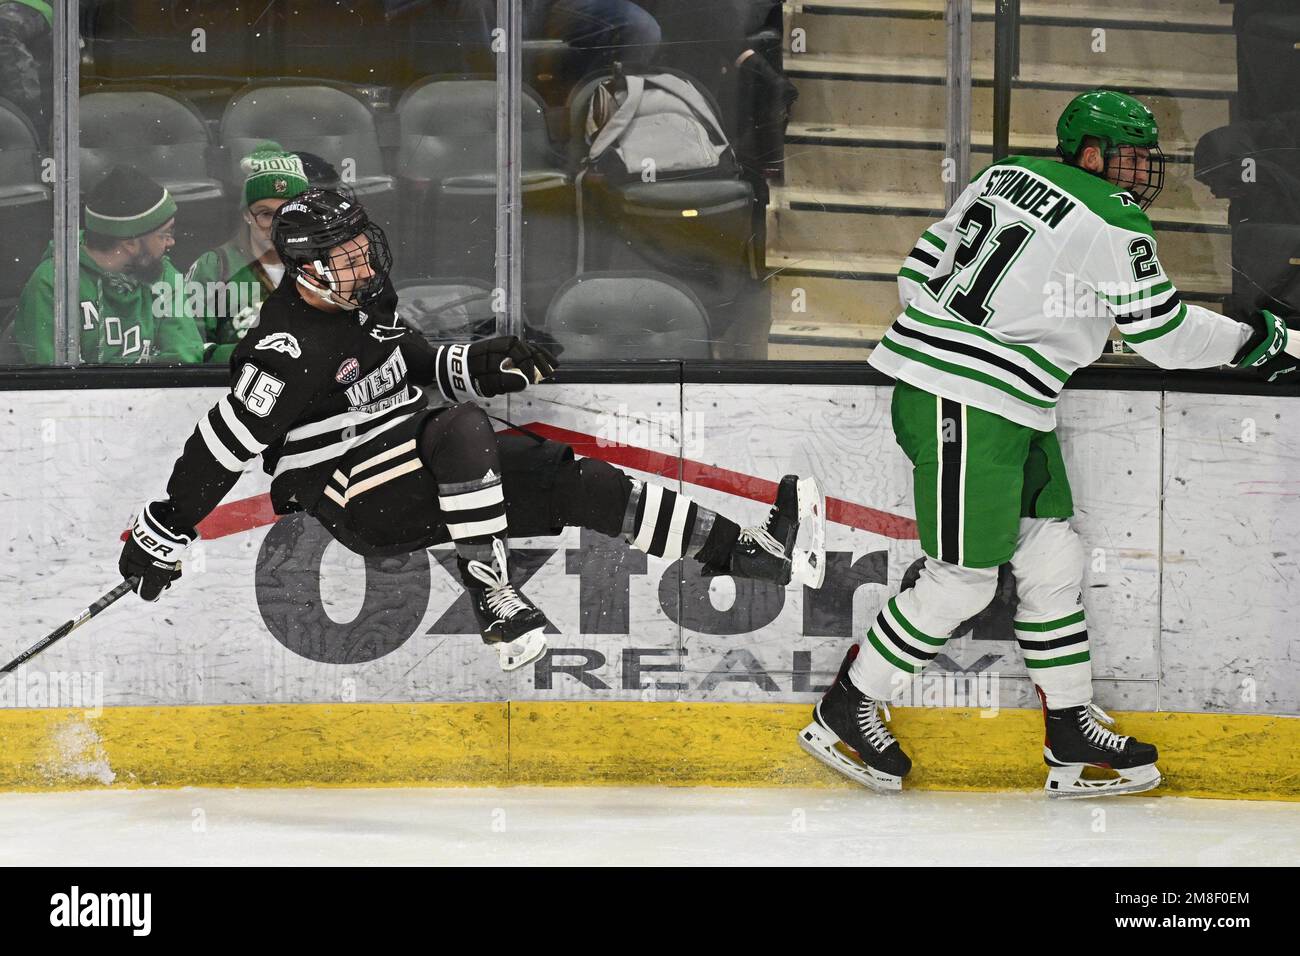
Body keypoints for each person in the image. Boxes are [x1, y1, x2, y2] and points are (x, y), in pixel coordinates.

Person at [800, 89, 1299, 798]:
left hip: (999, 402)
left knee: (1051, 552)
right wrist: (1259, 342)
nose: (1137, 172)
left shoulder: (1000, 176)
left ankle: (1068, 726)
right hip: (967, 405)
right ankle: (846, 705)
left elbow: (922, 264)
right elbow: (1162, 335)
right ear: (1090, 152)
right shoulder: (1109, 217)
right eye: (1127, 156)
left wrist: (962, 331)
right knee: (964, 579)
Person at [117, 188, 825, 671]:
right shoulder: (287, 349)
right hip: (349, 494)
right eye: (348, 258)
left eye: (365, 247)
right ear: (305, 271)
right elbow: (222, 444)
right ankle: (492, 594)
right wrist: (165, 528)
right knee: (458, 427)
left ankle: (750, 552)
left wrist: (479, 363)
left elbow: (410, 364)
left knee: (573, 479)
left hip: (413, 460)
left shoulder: (367, 297)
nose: (365, 264)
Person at [14, 165, 207, 365]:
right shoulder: (54, 284)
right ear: (130, 243)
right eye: (164, 234)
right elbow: (54, 379)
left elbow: (184, 359)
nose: (170, 242)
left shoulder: (164, 275)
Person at [184, 143, 311, 363]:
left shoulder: (326, 265)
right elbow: (188, 348)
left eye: (288, 213)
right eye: (265, 214)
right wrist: (251, 355)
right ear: (246, 215)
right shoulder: (215, 267)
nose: (277, 226)